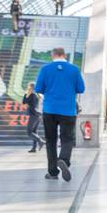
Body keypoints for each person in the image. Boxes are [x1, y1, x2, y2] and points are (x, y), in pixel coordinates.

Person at [34, 47, 85, 181]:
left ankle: (52, 172)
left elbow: (38, 88)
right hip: (68, 110)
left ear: (53, 55)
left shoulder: (45, 69)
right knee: (67, 138)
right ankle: (63, 160)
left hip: (49, 110)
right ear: (64, 55)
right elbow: (81, 88)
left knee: (51, 140)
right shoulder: (74, 69)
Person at [24, 84, 44, 153]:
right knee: (34, 131)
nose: (28, 88)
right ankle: (34, 148)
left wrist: (27, 93)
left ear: (31, 88)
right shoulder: (40, 95)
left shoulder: (32, 95)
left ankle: (40, 141)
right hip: (39, 115)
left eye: (29, 87)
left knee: (29, 132)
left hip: (33, 115)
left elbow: (24, 101)